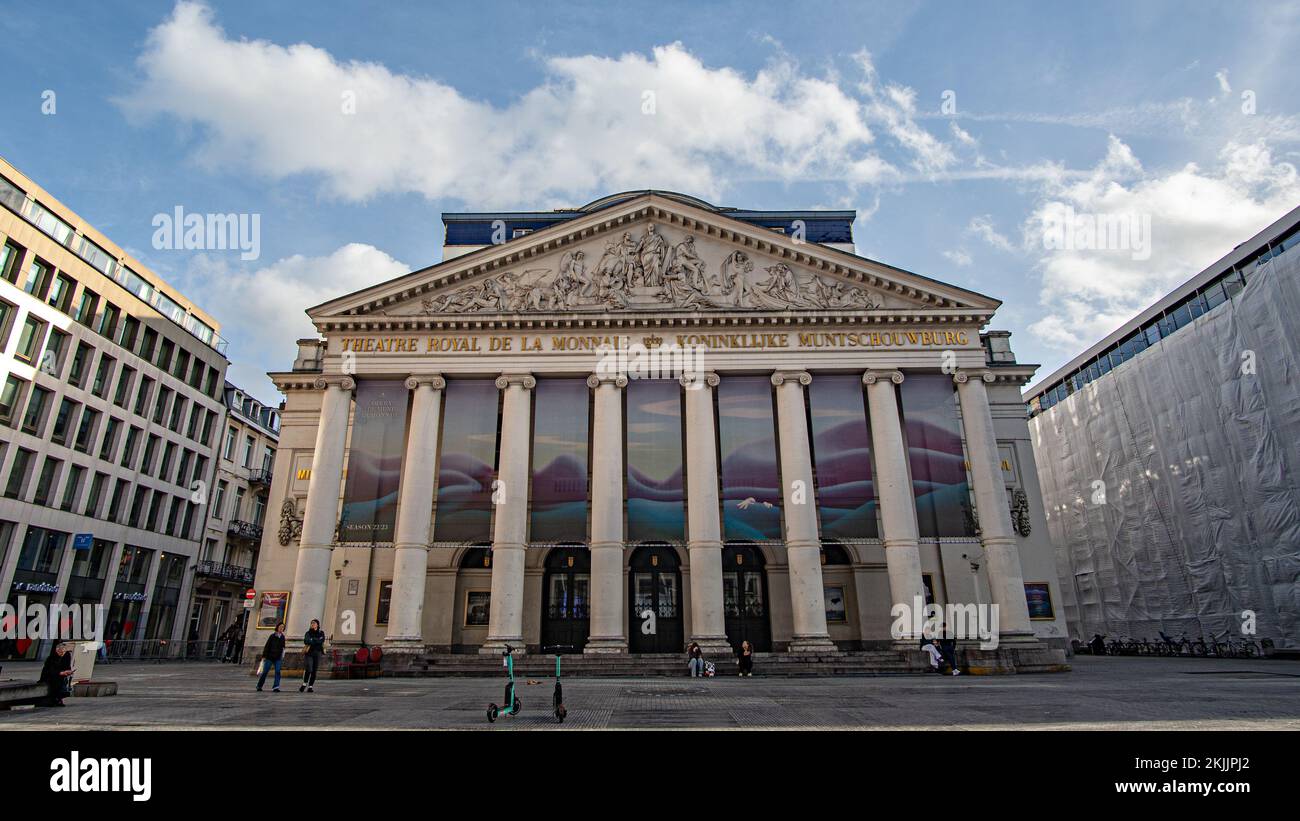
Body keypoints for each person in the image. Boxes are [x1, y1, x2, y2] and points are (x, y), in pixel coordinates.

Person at [256, 623, 287, 692]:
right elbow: (267, 646)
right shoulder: (272, 636)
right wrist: (264, 656)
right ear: (277, 627)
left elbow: (283, 647)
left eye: (283, 627)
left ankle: (276, 686)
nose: (281, 628)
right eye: (280, 627)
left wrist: (282, 655)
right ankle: (259, 685)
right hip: (270, 656)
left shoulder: (282, 637)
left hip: (278, 657)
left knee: (278, 671)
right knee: (265, 672)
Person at [299, 619, 326, 693]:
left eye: (314, 623)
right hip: (309, 653)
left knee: (314, 670)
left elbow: (322, 640)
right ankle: (304, 684)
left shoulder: (321, 632)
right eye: (311, 623)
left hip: (318, 653)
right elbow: (306, 641)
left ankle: (310, 686)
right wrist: (316, 640)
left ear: (317, 625)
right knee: (309, 668)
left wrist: (313, 640)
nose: (312, 624)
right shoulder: (308, 633)